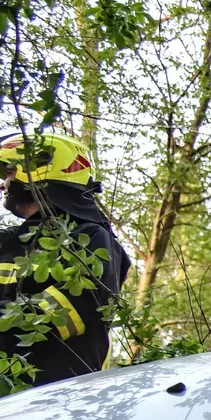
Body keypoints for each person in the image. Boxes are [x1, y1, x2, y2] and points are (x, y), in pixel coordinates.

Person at [0, 131, 129, 386]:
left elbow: (61, 316)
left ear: (40, 169)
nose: (4, 183)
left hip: (59, 407)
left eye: (10, 173)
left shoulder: (91, 239)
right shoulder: (4, 241)